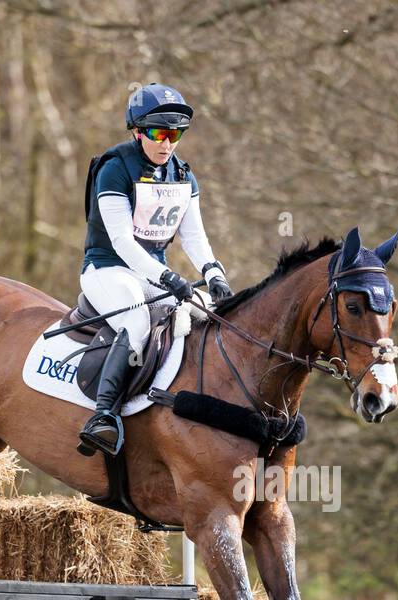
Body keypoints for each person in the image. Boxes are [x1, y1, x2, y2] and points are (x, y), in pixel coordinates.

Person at [76, 83, 235, 457]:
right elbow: (121, 242)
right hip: (107, 269)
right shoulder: (114, 170)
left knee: (208, 317)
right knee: (136, 323)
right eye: (158, 133)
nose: (167, 143)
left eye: (175, 134)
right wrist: (166, 277)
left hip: (152, 273)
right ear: (137, 131)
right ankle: (104, 416)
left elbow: (194, 236)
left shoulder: (183, 176)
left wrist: (214, 272)